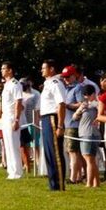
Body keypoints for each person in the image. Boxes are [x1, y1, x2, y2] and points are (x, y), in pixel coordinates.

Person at [38, 60, 67, 191]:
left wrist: (60, 125)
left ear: (52, 69)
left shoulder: (56, 83)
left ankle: (59, 183)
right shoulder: (47, 83)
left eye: (44, 68)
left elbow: (61, 104)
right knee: (49, 152)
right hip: (45, 118)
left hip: (52, 118)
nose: (42, 70)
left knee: (55, 152)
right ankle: (53, 184)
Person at [72, 84, 101, 188]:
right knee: (91, 160)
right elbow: (74, 117)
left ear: (94, 94)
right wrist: (80, 110)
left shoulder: (96, 104)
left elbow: (99, 109)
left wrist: (92, 105)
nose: (86, 97)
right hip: (86, 133)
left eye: (88, 95)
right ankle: (96, 182)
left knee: (88, 159)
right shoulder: (84, 105)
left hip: (89, 134)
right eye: (84, 95)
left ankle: (89, 183)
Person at [0, 62, 24, 179]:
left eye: (4, 68)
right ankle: (11, 170)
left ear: (10, 70)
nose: (2, 70)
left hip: (11, 117)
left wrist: (16, 119)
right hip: (5, 116)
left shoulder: (15, 84)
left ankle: (17, 172)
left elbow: (18, 102)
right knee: (8, 144)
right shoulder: (7, 84)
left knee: (14, 145)